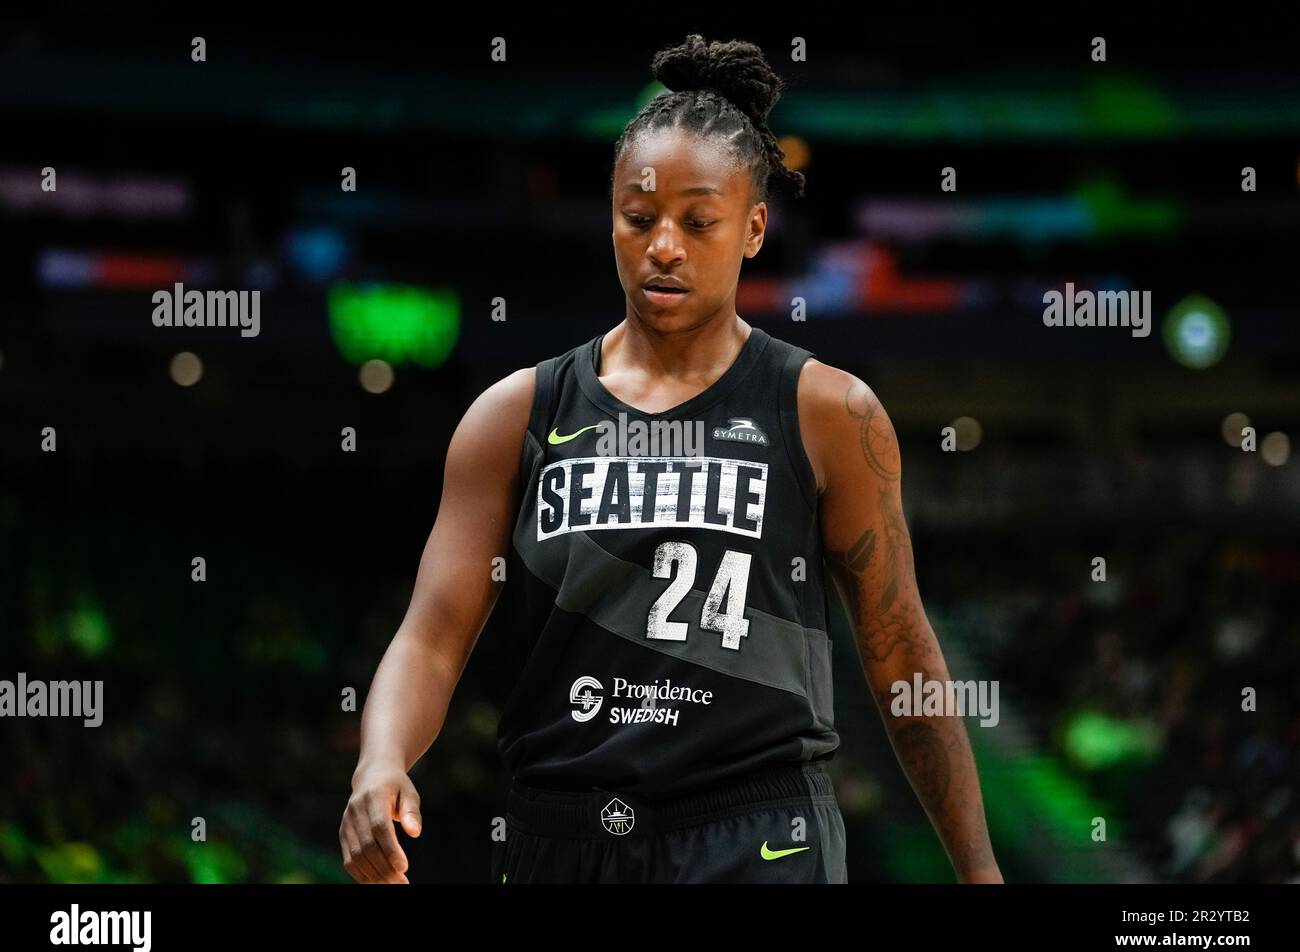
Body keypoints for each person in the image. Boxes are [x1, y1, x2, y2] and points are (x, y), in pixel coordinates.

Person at [340, 34, 1001, 884]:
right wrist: (380, 761)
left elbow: (903, 654)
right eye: (640, 217)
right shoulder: (513, 417)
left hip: (757, 833)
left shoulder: (829, 412)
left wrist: (980, 872)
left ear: (754, 228)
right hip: (562, 834)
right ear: (610, 214)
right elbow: (432, 637)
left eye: (699, 222)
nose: (664, 246)